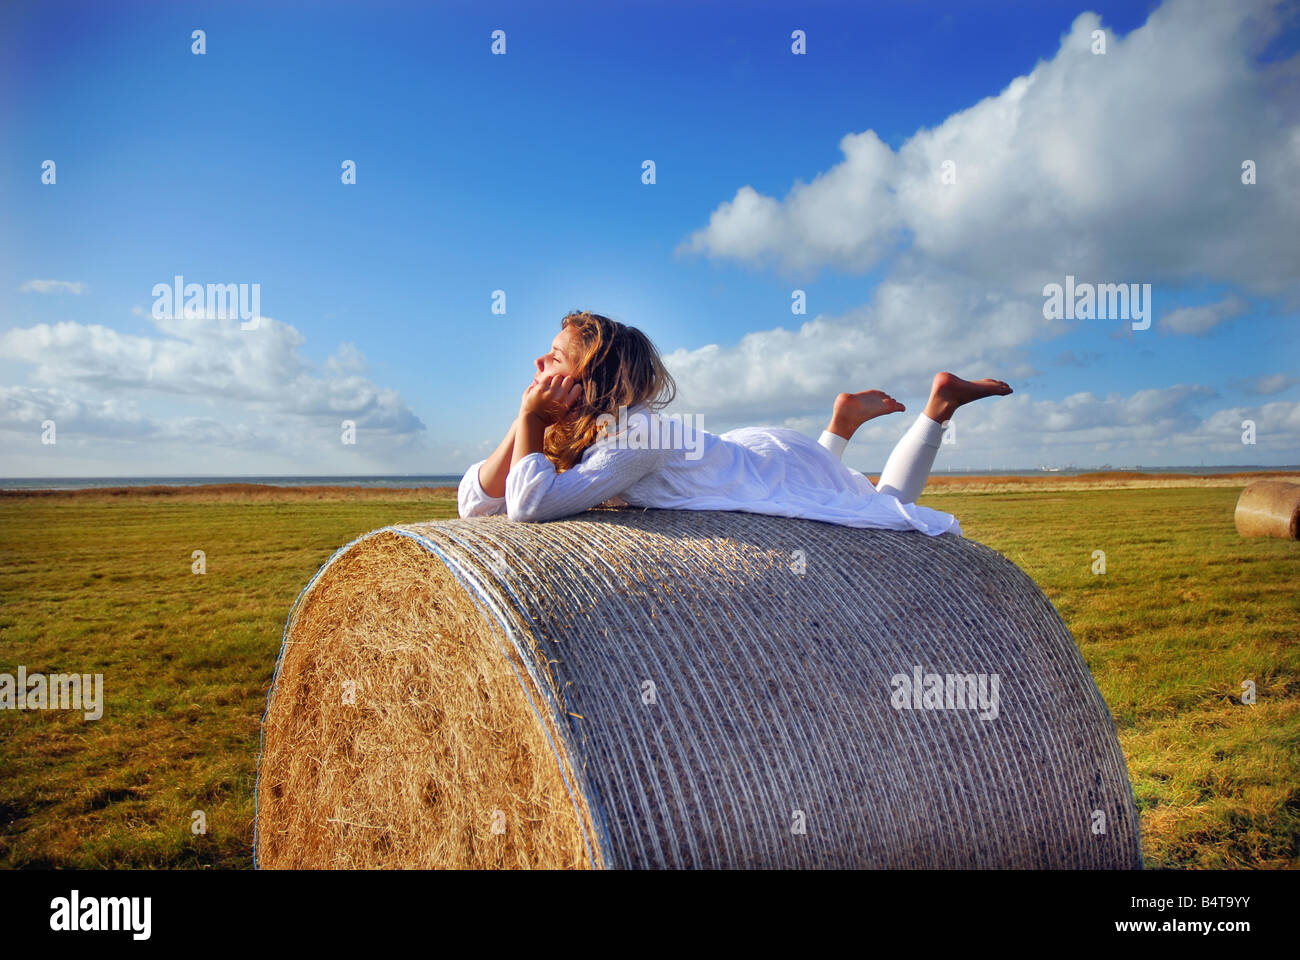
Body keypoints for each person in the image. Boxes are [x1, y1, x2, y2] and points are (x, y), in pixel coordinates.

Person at [458, 311, 1012, 535]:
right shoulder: (597, 427)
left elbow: (529, 506)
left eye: (554, 357)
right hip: (747, 454)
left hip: (768, 461)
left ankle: (939, 406)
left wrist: (530, 416)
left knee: (887, 510)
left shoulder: (640, 435)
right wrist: (523, 420)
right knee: (831, 488)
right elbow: (477, 505)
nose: (539, 363)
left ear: (594, 375)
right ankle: (839, 427)